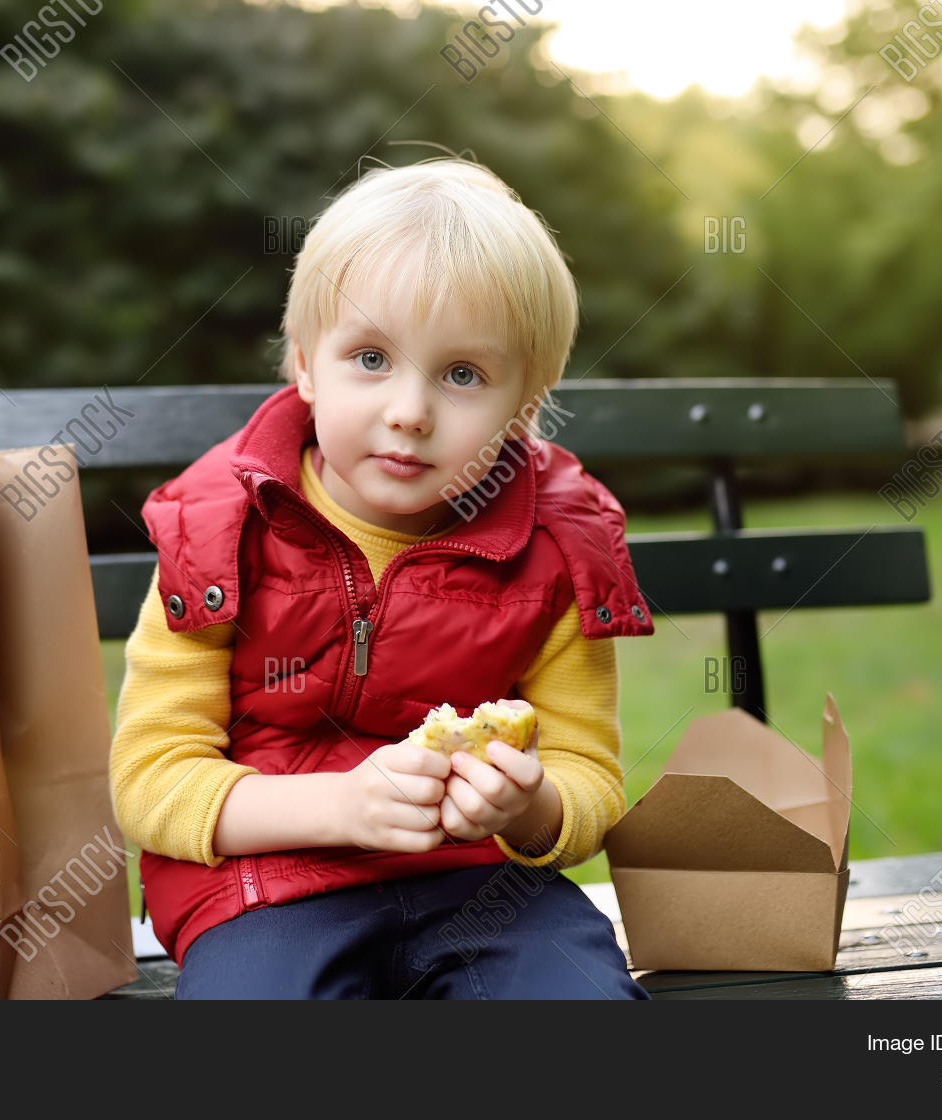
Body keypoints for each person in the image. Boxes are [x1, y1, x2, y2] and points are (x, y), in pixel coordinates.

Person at [111, 157, 657, 999]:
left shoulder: (557, 554)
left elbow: (590, 776)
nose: (410, 411)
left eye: (463, 374)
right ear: (305, 365)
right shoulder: (217, 533)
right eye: (370, 357)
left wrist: (531, 807)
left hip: (482, 885)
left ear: (525, 409)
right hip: (266, 887)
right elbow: (151, 779)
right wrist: (340, 808)